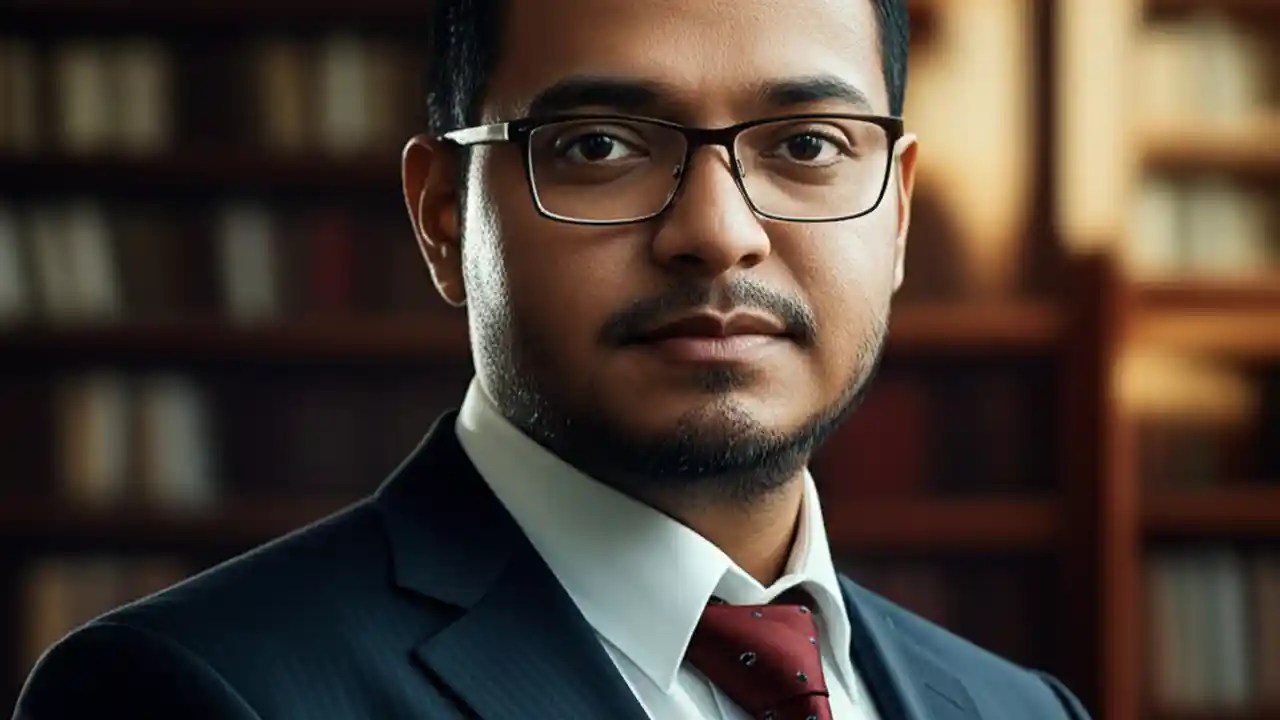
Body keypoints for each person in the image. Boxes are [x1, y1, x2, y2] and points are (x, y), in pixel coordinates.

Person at [15, 0, 1092, 718]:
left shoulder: (1021, 711)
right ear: (443, 217)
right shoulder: (190, 693)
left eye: (806, 146)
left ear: (895, 215)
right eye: (599, 146)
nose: (717, 233)